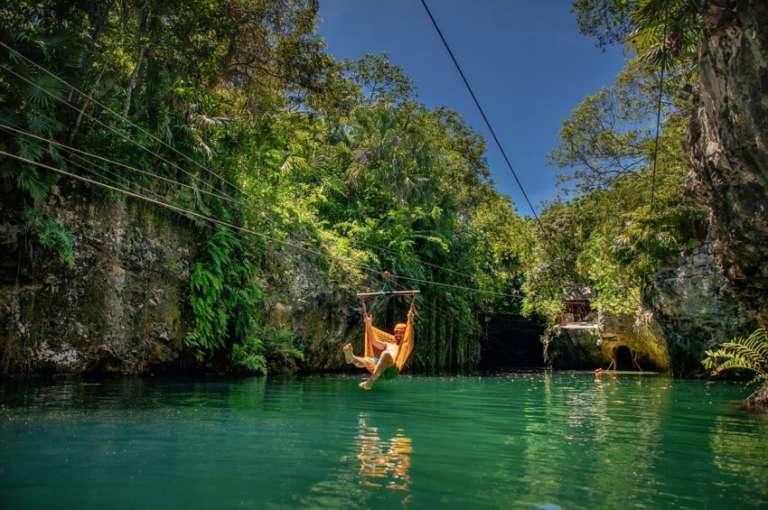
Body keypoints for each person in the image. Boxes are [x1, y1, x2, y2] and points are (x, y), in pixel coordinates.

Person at [342, 304, 415, 390]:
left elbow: (409, 335)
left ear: (405, 333)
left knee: (385, 354)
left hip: (392, 370)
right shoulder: (388, 344)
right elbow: (373, 341)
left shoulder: (406, 346)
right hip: (378, 365)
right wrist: (368, 324)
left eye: (401, 332)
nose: (398, 334)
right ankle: (351, 357)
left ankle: (369, 382)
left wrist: (410, 321)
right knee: (367, 360)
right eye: (396, 332)